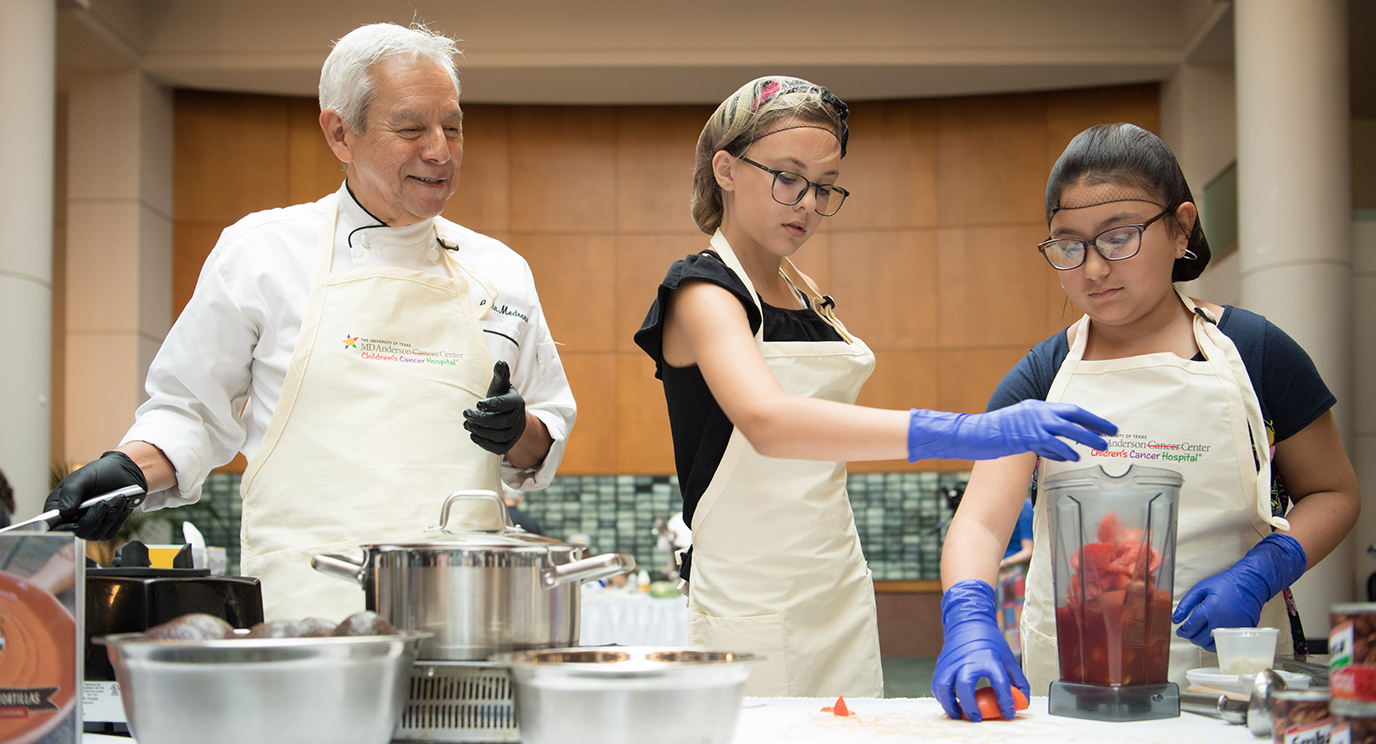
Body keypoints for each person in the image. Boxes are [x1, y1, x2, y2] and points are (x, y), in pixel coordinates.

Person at [43, 23, 576, 620]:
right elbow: (191, 412)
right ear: (340, 132)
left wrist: (518, 429)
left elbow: (542, 435)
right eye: (410, 129)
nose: (440, 151)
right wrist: (127, 471)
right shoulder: (262, 253)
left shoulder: (499, 271)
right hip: (305, 609)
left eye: (452, 127)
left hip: (464, 611)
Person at [633, 76, 1117, 698]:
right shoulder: (702, 292)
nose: (807, 202)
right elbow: (770, 423)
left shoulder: (807, 294)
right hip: (750, 597)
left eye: (825, 186)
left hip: (835, 585)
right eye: (788, 177)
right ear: (725, 169)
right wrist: (967, 430)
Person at [933, 122, 1361, 722]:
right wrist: (969, 618)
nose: (1093, 269)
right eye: (1068, 245)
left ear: (1180, 226)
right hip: (1072, 684)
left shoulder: (1256, 350)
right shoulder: (1043, 374)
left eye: (1118, 238)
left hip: (1229, 676)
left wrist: (1266, 570)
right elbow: (980, 521)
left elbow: (1333, 492)